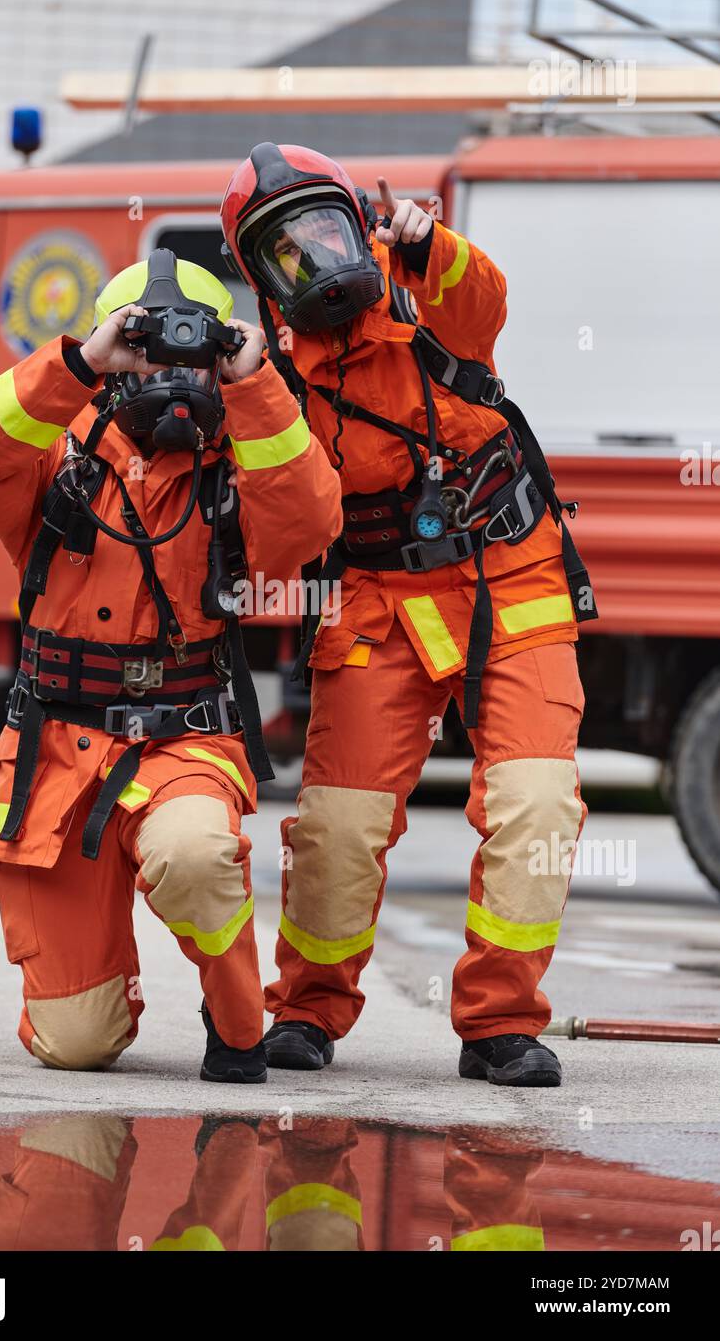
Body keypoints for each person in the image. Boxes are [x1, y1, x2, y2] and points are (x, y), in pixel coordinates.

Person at [221, 144, 597, 1087]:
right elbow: (280, 514)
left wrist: (434, 247)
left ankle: (501, 1024)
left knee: (537, 803)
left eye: (322, 229)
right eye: (285, 249)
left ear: (357, 220)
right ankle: (307, 1011)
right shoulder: (272, 372)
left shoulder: (426, 289)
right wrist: (247, 381)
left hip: (509, 579)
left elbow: (487, 301)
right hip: (379, 601)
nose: (312, 260)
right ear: (261, 273)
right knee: (340, 825)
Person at [0, 250, 341, 1084]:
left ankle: (235, 1027)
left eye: (188, 352)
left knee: (193, 853)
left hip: (181, 746)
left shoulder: (236, 464)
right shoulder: (59, 464)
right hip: (56, 759)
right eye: (148, 347)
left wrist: (253, 379)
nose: (168, 371)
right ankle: (104, 993)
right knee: (75, 1045)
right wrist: (82, 362)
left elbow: (309, 525)